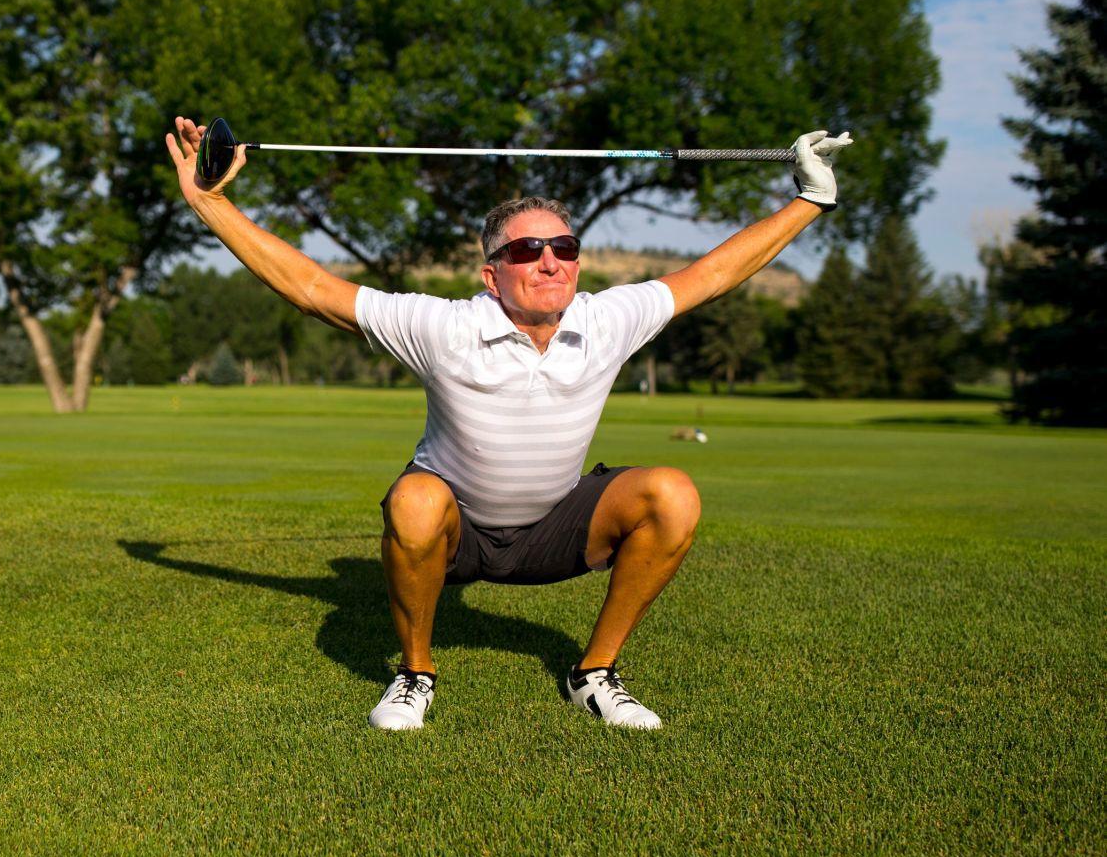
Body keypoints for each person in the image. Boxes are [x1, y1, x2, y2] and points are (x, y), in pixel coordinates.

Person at [164, 117, 852, 731]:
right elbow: (312, 289)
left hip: (557, 527)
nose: (549, 260)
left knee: (672, 493)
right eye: (526, 252)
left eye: (563, 246)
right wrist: (209, 202)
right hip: (458, 530)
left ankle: (594, 675)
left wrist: (809, 201)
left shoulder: (607, 318)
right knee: (412, 499)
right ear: (492, 275)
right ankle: (414, 674)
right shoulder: (443, 326)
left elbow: (714, 272)